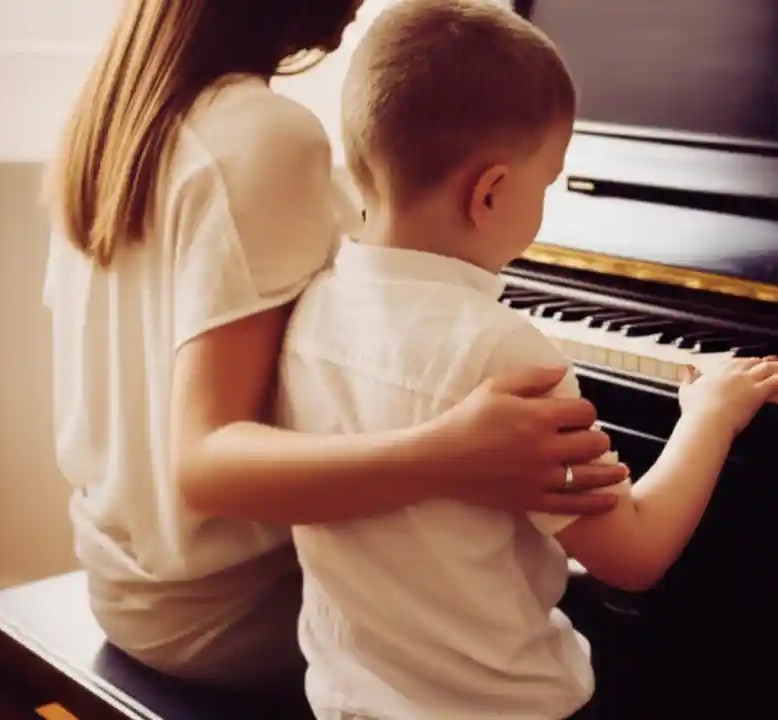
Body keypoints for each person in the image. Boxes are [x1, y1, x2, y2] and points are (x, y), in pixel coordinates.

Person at [40, 0, 629, 694]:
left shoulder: (121, 113)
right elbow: (206, 464)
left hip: (125, 580)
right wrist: (452, 454)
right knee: (601, 628)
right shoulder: (263, 133)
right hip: (227, 606)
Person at [272, 1, 778, 717]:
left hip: (348, 700)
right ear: (490, 192)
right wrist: (709, 415)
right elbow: (635, 554)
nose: (549, 198)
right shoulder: (503, 352)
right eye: (550, 180)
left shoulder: (312, 310)